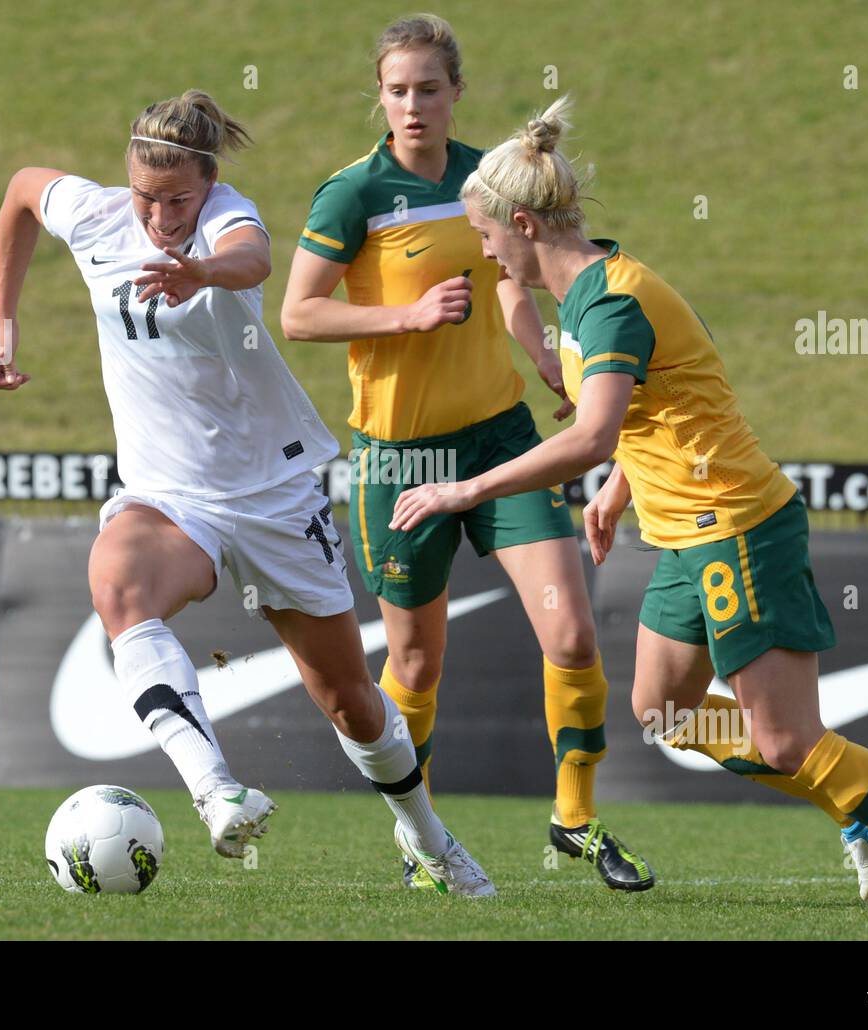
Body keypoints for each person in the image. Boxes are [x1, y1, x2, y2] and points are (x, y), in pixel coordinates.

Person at [389, 95, 868, 917]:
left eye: (485, 232)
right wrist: (618, 490)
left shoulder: (611, 301)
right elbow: (660, 408)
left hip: (738, 526)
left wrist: (464, 488)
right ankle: (861, 808)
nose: (484, 248)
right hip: (681, 533)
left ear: (525, 227)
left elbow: (590, 434)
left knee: (789, 738)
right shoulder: (586, 295)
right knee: (666, 712)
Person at [0, 88, 493, 895]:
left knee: (351, 702)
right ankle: (216, 790)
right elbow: (19, 191)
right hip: (169, 492)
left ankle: (429, 838)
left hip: (273, 491)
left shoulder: (227, 216)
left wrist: (202, 272)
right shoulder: (96, 214)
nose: (158, 216)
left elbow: (254, 258)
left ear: (208, 182)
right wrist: (2, 322)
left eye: (177, 198)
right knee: (117, 584)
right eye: (146, 197)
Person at [281, 14, 653, 892]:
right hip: (397, 460)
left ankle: (578, 819)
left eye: (429, 88)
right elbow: (297, 315)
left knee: (569, 631)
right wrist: (403, 318)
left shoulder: (487, 180)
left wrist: (547, 361)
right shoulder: (352, 194)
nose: (413, 105)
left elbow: (510, 282)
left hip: (501, 437)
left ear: (456, 94)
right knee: (413, 663)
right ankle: (425, 844)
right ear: (380, 96)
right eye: (398, 89)